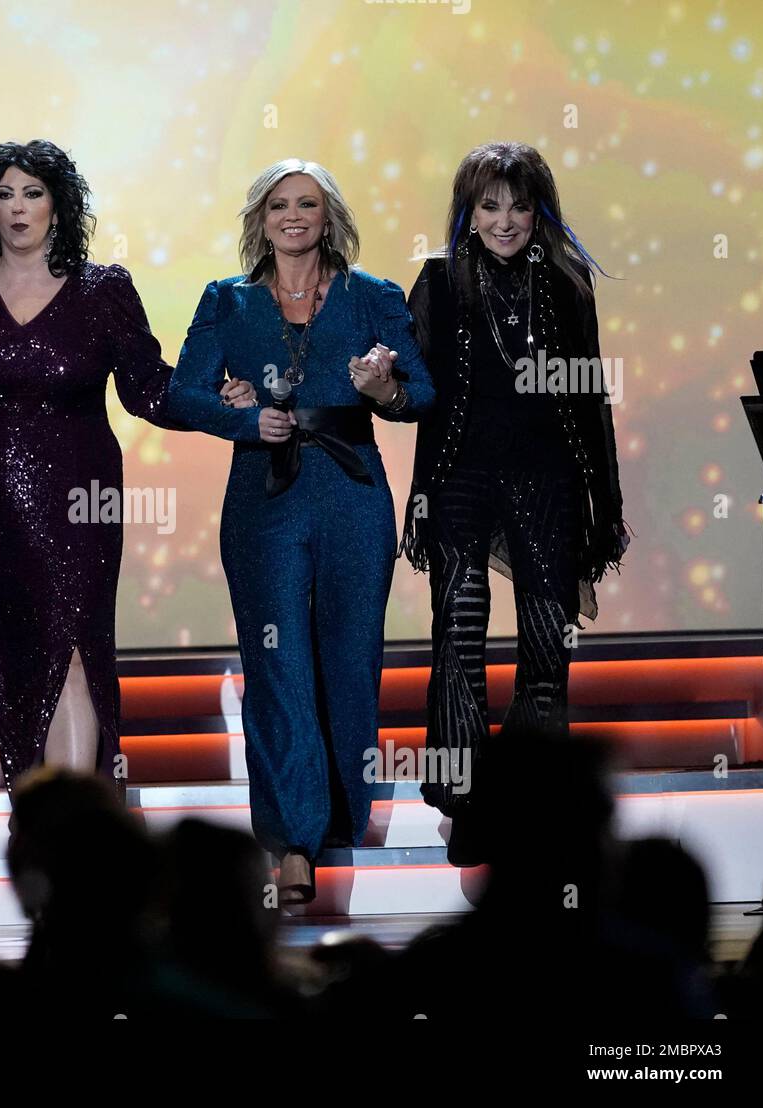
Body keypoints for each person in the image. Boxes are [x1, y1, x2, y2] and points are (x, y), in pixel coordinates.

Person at [0, 140, 255, 797]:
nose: (18, 207)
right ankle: (34, 804)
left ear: (60, 206)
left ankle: (70, 822)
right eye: (4, 194)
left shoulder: (104, 288)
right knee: (9, 660)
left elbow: (149, 389)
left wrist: (218, 401)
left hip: (81, 503)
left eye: (32, 193)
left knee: (72, 647)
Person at [167, 159, 434, 904]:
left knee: (351, 658)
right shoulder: (228, 300)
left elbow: (422, 391)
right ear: (260, 219)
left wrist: (383, 389)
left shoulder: (374, 296)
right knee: (277, 661)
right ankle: (292, 840)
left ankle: (344, 816)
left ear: (328, 215)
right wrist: (245, 417)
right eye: (279, 205)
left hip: (353, 493)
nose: (293, 216)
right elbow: (183, 393)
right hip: (264, 495)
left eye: (307, 204)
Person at [398, 141, 629, 866]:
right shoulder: (436, 281)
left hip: (548, 481)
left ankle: (529, 808)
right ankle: (466, 806)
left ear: (540, 210)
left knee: (544, 651)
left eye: (519, 205)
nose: (504, 220)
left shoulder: (567, 281)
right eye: (489, 205)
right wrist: (421, 493)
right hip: (460, 482)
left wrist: (604, 506)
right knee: (457, 646)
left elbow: (591, 403)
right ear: (467, 211)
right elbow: (419, 400)